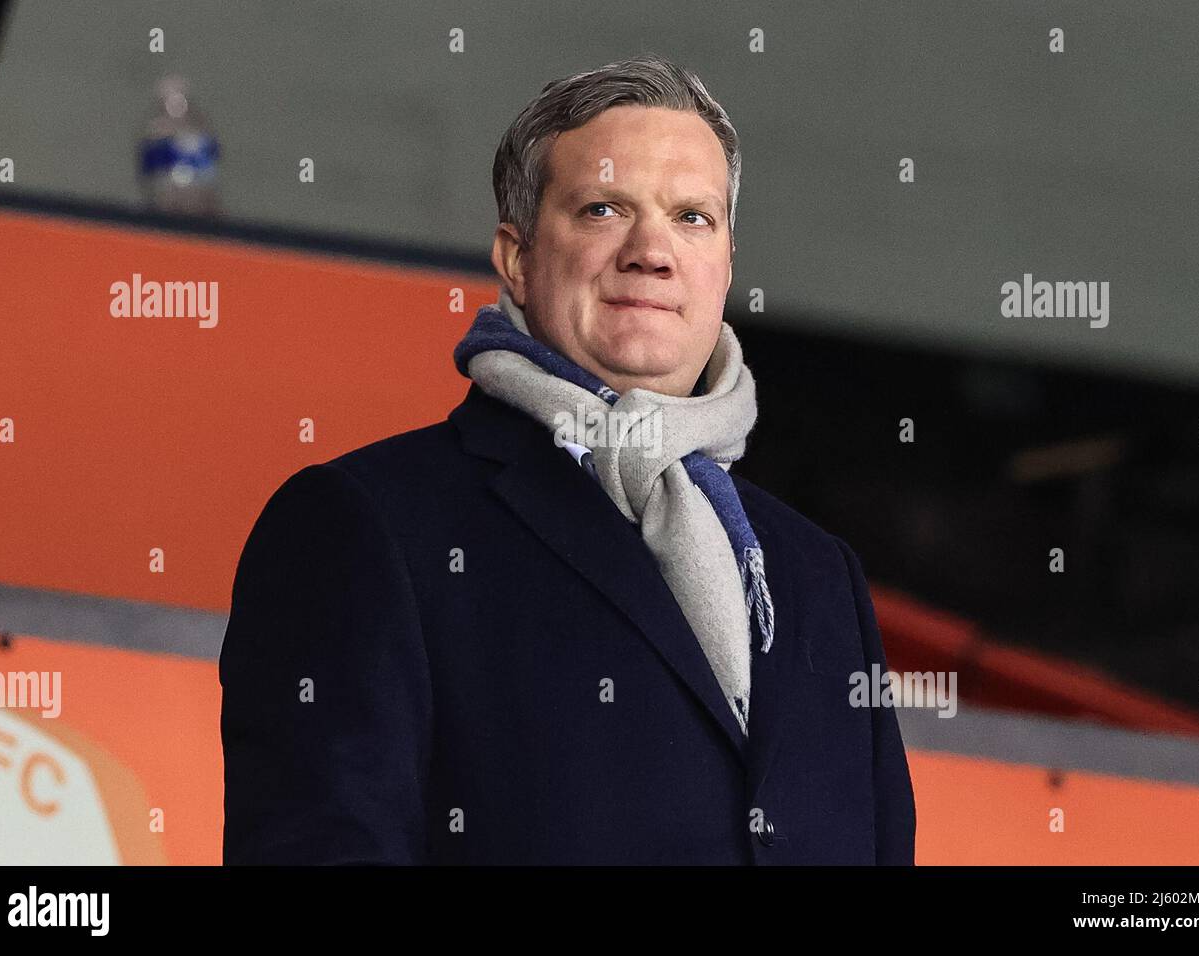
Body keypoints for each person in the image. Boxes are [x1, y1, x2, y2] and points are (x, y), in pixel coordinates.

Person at [220, 52, 915, 865]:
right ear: (516, 257)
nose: (652, 251)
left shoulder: (819, 577)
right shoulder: (364, 526)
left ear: (725, 266)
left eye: (693, 218)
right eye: (603, 209)